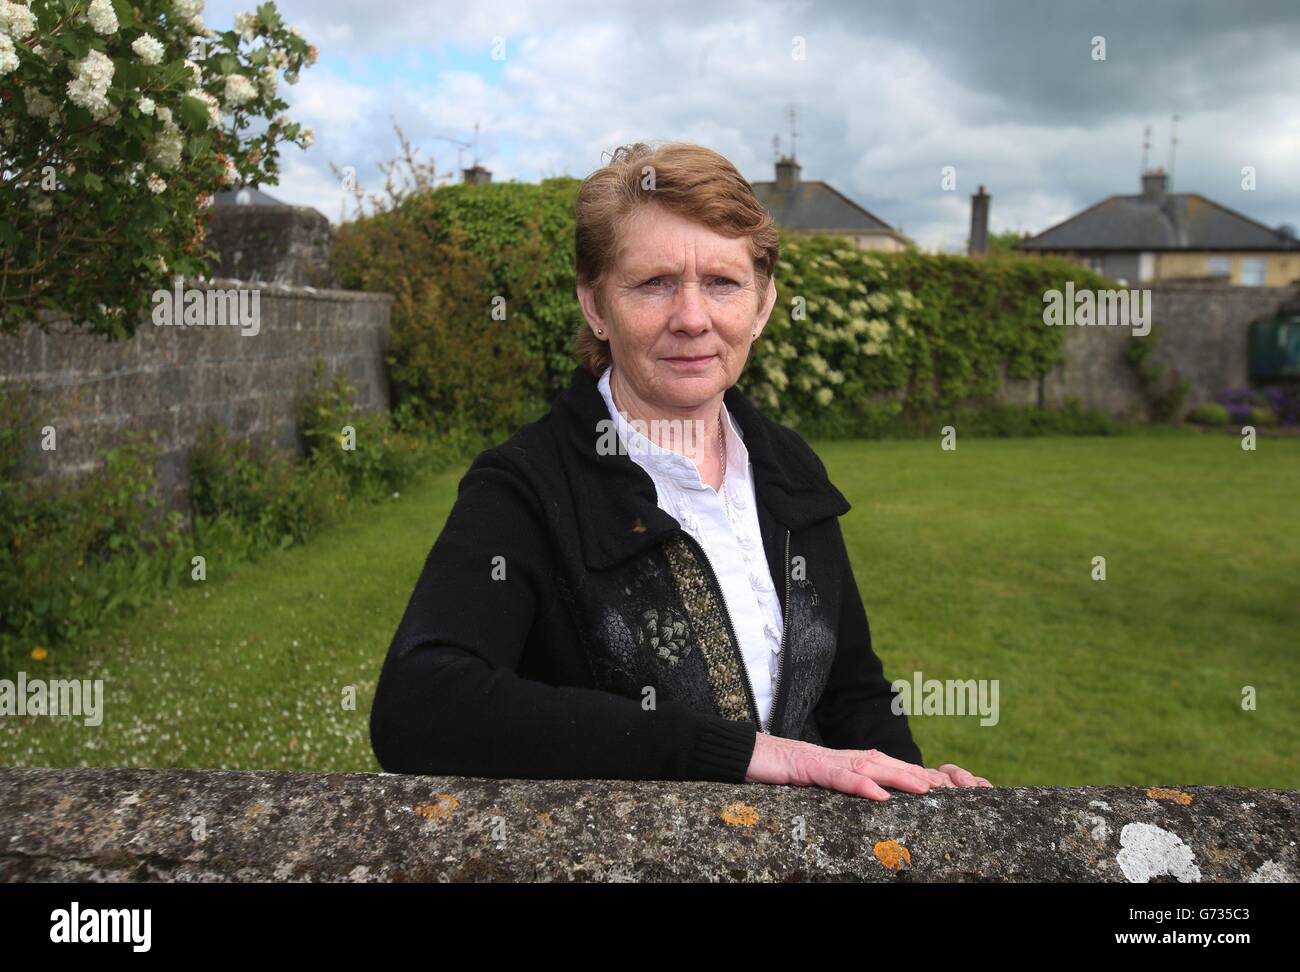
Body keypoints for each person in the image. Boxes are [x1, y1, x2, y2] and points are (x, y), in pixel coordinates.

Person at [370, 141, 991, 800]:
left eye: (723, 283)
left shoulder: (786, 467)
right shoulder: (526, 487)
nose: (692, 319)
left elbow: (851, 688)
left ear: (762, 305)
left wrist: (912, 791)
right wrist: (736, 752)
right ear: (594, 305)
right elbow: (419, 704)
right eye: (654, 283)